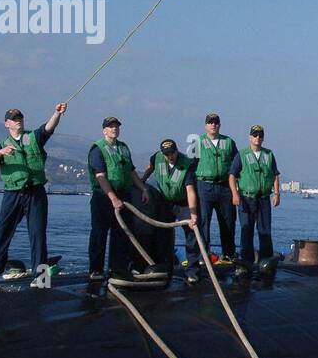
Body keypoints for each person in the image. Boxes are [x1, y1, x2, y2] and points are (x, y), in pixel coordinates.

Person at [0, 103, 67, 285]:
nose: (18, 121)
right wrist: (1, 152)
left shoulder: (32, 138)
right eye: (14, 119)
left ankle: (41, 277)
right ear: (7, 124)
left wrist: (57, 114)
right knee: (3, 231)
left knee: (37, 233)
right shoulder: (1, 144)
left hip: (35, 192)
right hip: (13, 193)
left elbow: (48, 128)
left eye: (19, 118)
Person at [87, 116, 150, 279]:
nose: (114, 129)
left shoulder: (123, 148)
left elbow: (131, 171)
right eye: (110, 126)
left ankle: (118, 267)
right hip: (103, 198)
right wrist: (113, 198)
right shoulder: (97, 149)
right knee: (99, 234)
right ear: (104, 130)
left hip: (124, 194)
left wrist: (143, 188)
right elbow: (100, 176)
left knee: (122, 234)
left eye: (116, 126)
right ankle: (96, 269)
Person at [149, 139, 201, 283]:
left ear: (177, 151)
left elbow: (190, 191)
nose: (170, 156)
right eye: (167, 154)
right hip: (165, 200)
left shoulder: (187, 165)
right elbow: (150, 167)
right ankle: (164, 267)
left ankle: (192, 271)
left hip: (183, 202)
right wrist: (141, 184)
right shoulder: (157, 158)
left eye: (172, 153)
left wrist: (193, 214)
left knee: (191, 234)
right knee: (162, 233)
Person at [230, 124, 281, 269]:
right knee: (246, 230)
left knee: (265, 230)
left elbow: (276, 175)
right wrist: (235, 194)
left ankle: (266, 260)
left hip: (263, 198)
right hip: (246, 198)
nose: (257, 138)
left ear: (263, 138)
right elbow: (232, 175)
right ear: (250, 137)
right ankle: (246, 260)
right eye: (254, 135)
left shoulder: (269, 154)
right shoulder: (241, 155)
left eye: (260, 135)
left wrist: (277, 194)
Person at [195, 113, 238, 263]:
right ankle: (203, 255)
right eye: (210, 122)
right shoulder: (198, 142)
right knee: (204, 222)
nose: (213, 125)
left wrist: (236, 189)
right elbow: (192, 165)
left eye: (216, 122)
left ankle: (228, 254)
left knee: (228, 221)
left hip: (225, 187)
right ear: (205, 125)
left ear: (220, 125)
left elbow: (237, 165)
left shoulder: (229, 142)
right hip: (204, 186)